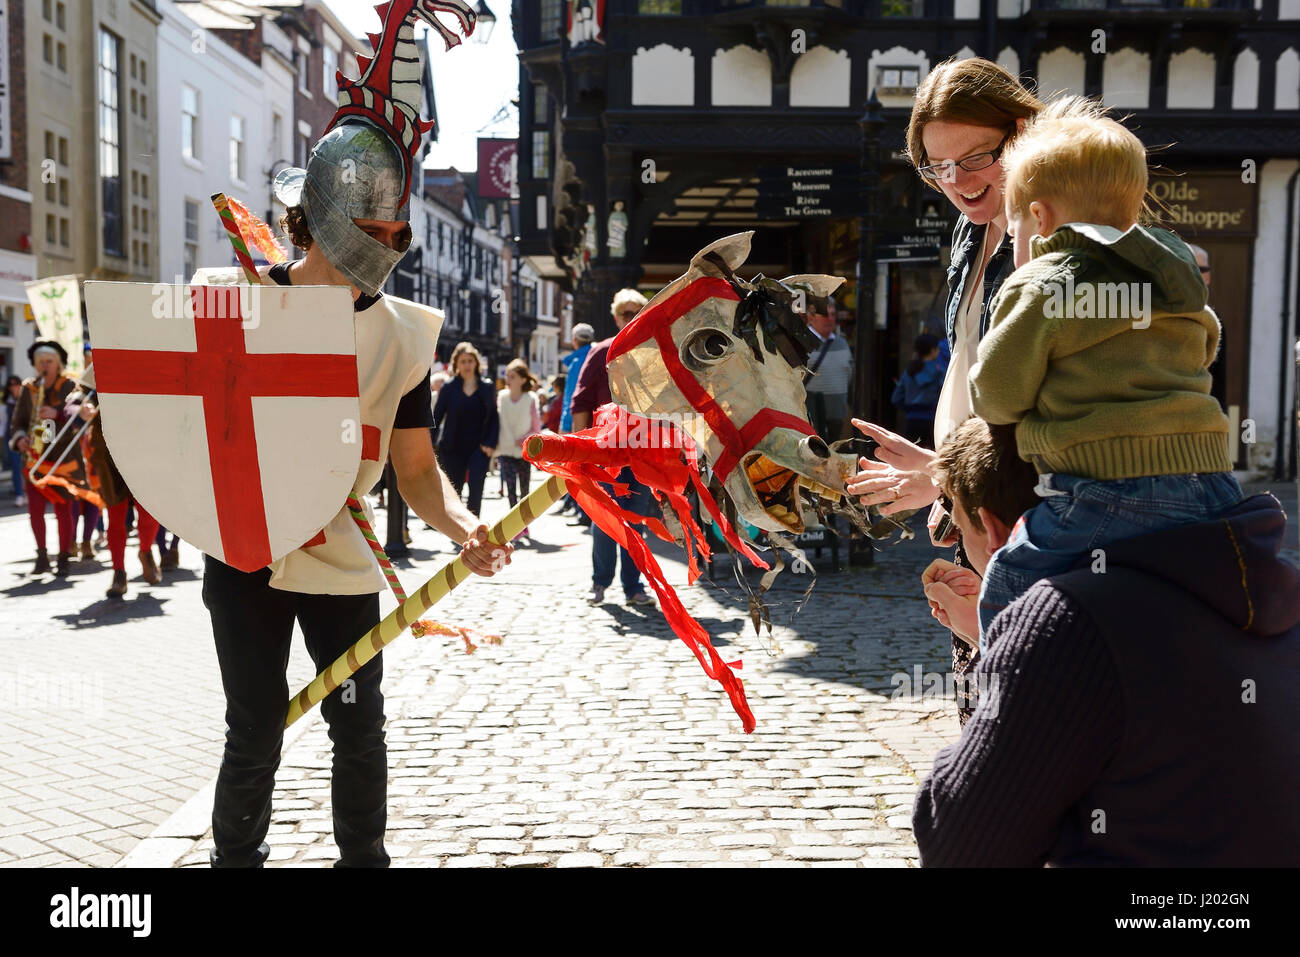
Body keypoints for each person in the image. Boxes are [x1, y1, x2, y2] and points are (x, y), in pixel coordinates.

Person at [186, 4, 509, 868]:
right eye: (379, 229)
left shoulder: (403, 331)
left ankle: (364, 862)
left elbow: (413, 465)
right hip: (247, 547)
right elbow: (185, 432)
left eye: (402, 232)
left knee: (359, 721)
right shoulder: (233, 299)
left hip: (339, 548)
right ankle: (234, 863)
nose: (395, 245)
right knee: (253, 726)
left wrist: (460, 527)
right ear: (325, 216)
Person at [913, 414, 1300, 866]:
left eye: (958, 526)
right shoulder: (1268, 578)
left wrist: (1000, 643)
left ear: (994, 530)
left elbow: (961, 845)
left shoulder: (1069, 622)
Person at [969, 96, 1239, 648]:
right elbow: (1207, 340)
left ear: (1038, 218)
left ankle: (1013, 700)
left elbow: (995, 393)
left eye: (1017, 224)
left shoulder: (1045, 278)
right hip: (1212, 482)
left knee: (1008, 583)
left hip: (1108, 484)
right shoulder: (1171, 273)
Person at [846, 56, 1043, 724]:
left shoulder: (1047, 232)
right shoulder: (970, 230)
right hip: (976, 516)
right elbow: (971, 367)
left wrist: (947, 477)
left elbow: (1041, 413)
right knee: (982, 714)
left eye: (975, 157)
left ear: (1020, 131)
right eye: (936, 166)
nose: (956, 182)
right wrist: (942, 478)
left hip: (1024, 526)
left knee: (1015, 732)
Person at [572, 288, 655, 607]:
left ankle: (634, 588)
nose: (631, 318)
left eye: (637, 312)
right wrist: (579, 449)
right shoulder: (601, 352)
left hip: (640, 452)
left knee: (634, 522)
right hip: (604, 453)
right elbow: (580, 400)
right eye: (626, 313)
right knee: (604, 521)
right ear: (616, 317)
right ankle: (600, 583)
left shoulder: (651, 354)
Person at [8, 339, 80, 576]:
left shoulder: (69, 385)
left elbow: (76, 414)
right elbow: (17, 423)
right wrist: (20, 439)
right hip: (34, 457)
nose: (44, 366)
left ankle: (63, 557)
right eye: (41, 362)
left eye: (49, 361)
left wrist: (57, 412)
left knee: (63, 509)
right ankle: (41, 555)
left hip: (61, 458)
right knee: (36, 510)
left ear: (58, 363)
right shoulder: (29, 388)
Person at [432, 341, 499, 518]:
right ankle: (459, 530)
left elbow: (494, 417)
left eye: (470, 360)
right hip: (453, 448)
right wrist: (429, 444)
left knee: (476, 490)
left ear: (476, 363)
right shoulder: (448, 388)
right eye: (463, 361)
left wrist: (490, 443)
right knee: (455, 492)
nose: (467, 365)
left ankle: (475, 530)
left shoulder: (487, 387)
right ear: (456, 364)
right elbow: (436, 417)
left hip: (479, 448)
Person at [495, 358, 542, 535]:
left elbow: (536, 427)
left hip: (524, 451)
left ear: (522, 379)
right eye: (507, 375)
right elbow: (498, 423)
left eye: (512, 376)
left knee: (524, 490)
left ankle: (524, 524)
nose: (509, 379)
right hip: (506, 450)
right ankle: (515, 526)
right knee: (510, 490)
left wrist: (524, 440)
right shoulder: (502, 397)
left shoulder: (531, 399)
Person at [803, 294, 852, 442]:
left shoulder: (842, 343)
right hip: (811, 417)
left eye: (833, 314)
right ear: (811, 318)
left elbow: (849, 375)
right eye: (825, 315)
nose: (830, 319)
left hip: (838, 416)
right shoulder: (802, 342)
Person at [890, 333, 943, 450]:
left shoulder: (909, 371)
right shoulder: (939, 371)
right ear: (933, 350)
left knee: (911, 457)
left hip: (912, 422)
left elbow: (896, 398)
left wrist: (911, 408)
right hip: (932, 423)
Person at [560, 323, 594, 434]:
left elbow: (571, 396)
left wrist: (565, 426)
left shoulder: (576, 363)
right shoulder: (598, 358)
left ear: (574, 341)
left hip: (578, 424)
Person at [3, 375, 24, 507]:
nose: (14, 387)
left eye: (16, 384)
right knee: (16, 467)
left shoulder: (27, 399)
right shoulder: (6, 402)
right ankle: (19, 494)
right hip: (12, 438)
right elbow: (4, 422)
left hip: (28, 437)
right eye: (11, 385)